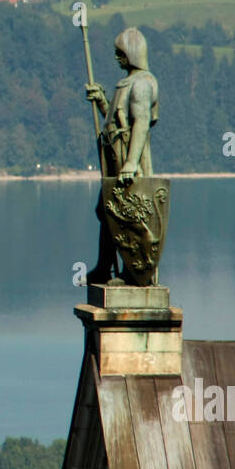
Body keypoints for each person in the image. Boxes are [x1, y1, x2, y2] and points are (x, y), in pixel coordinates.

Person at [85, 28, 158, 285]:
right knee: (105, 210)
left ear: (133, 53)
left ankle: (132, 273)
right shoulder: (127, 83)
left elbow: (140, 123)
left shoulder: (141, 84)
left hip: (129, 162)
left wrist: (130, 163)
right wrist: (102, 101)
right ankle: (104, 268)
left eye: (120, 53)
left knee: (127, 214)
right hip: (115, 155)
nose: (117, 58)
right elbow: (118, 120)